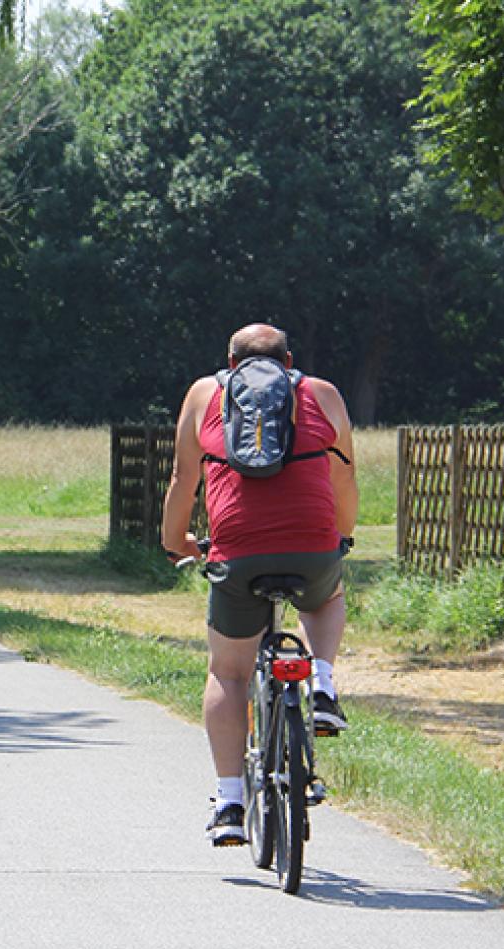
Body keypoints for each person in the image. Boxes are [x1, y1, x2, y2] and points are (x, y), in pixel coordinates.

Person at [161, 323, 358, 847]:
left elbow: (185, 478)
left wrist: (176, 540)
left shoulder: (206, 393)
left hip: (238, 551)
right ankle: (321, 684)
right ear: (289, 360)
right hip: (313, 542)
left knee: (228, 673)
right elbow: (344, 477)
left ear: (229, 360)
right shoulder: (322, 393)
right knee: (328, 594)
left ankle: (230, 800)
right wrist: (340, 537)